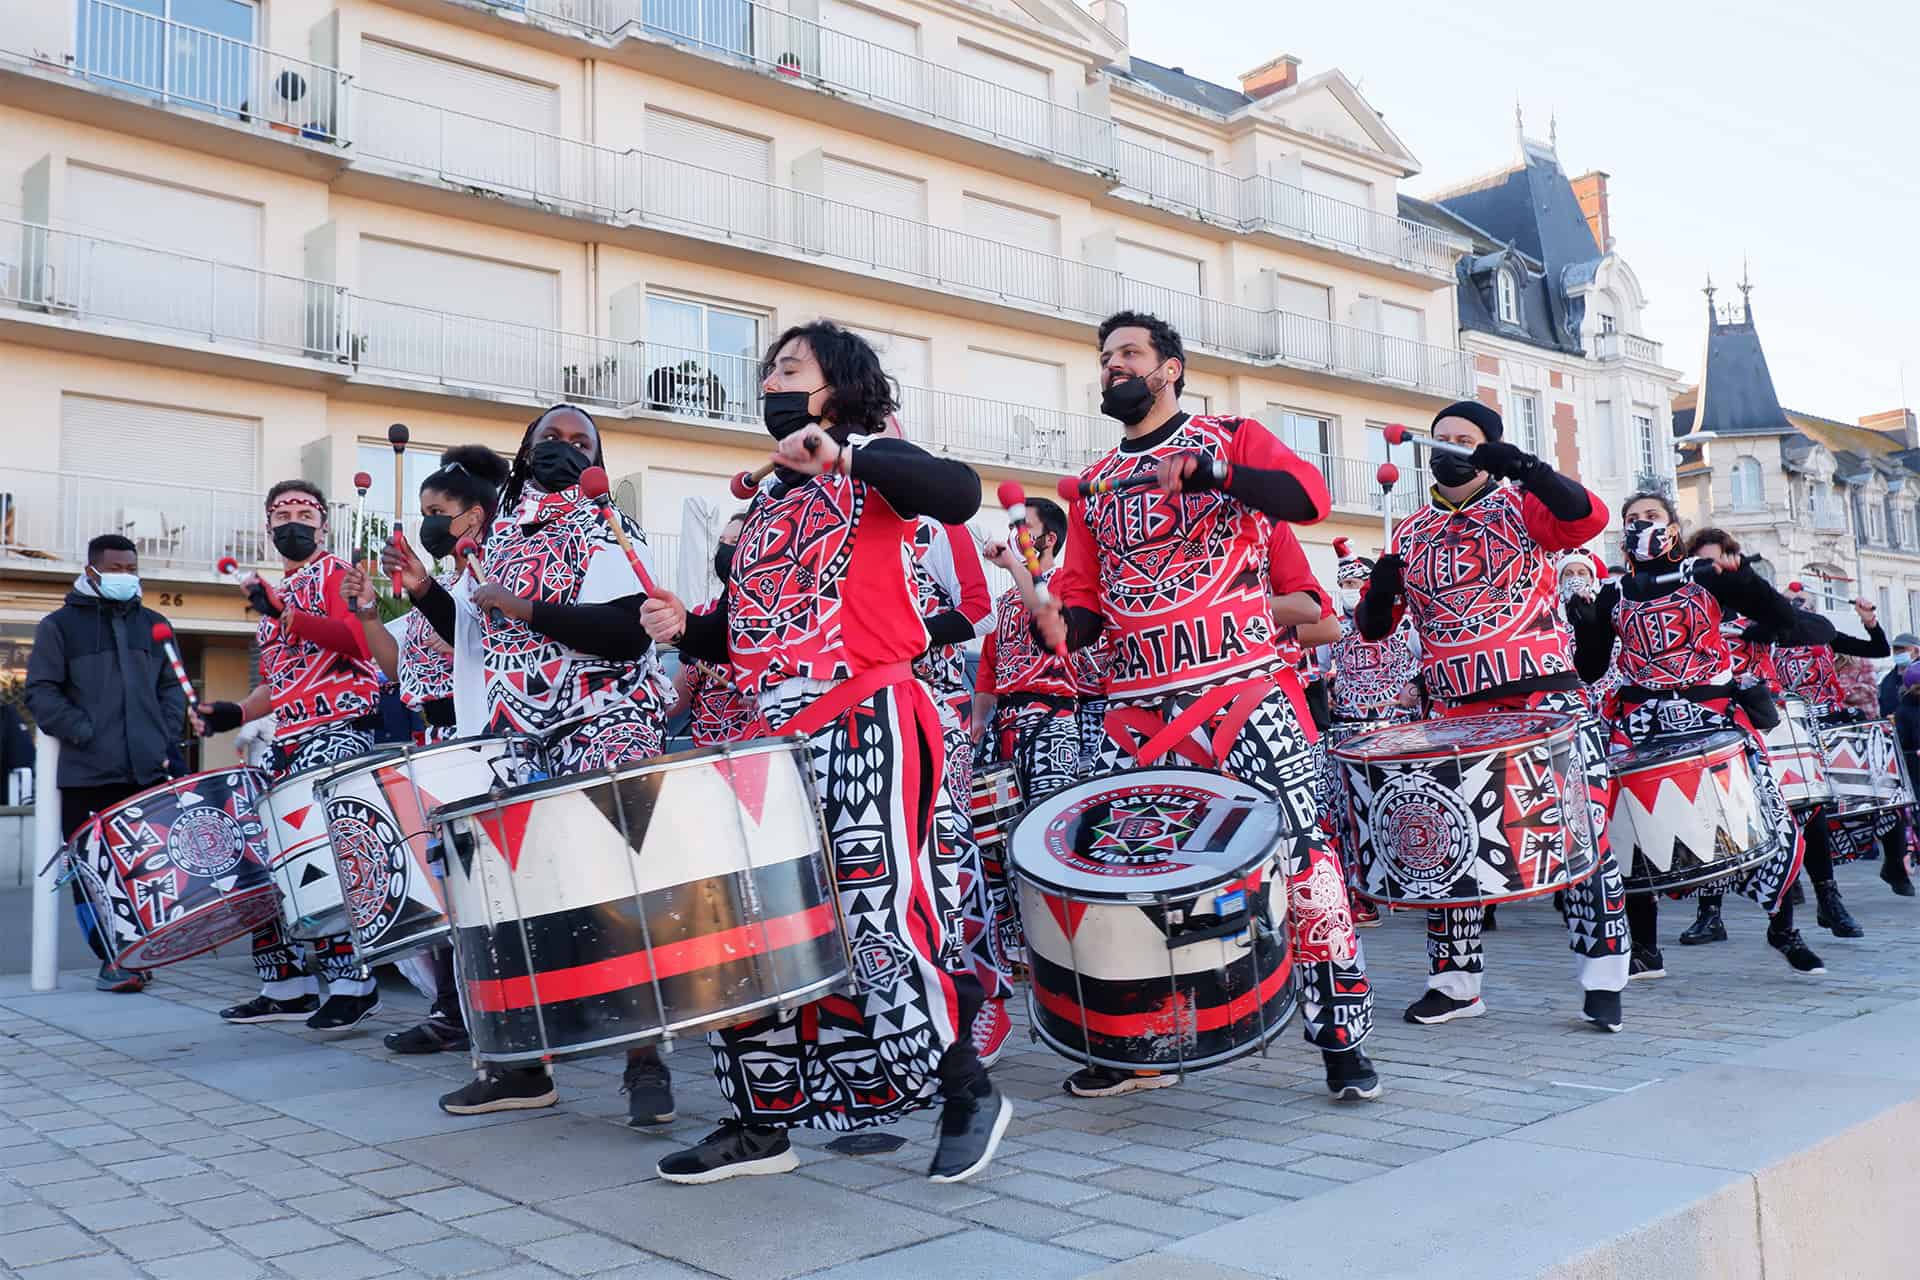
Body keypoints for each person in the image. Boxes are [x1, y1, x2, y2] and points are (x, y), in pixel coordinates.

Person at [640, 320, 1006, 1185]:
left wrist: (845, 455)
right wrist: (685, 626)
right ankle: (759, 1123)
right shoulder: (765, 504)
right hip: (773, 741)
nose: (771, 378)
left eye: (790, 366)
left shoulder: (876, 468)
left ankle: (967, 1090)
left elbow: (957, 492)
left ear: (836, 387)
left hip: (871, 713)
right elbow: (746, 632)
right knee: (754, 928)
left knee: (880, 913)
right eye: (768, 368)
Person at [1033, 310, 1380, 1103]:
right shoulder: (1090, 488)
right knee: (1134, 877)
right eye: (1105, 357)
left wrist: (1217, 476)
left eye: (1129, 354)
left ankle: (1342, 1042)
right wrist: (1060, 623)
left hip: (1248, 698)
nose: (1113, 367)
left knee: (1303, 864)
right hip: (1140, 716)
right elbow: (1088, 606)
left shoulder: (1233, 436)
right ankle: (1145, 1042)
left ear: (1171, 368)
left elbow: (1310, 498)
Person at [384, 406, 679, 1126]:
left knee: (619, 888)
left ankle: (646, 1062)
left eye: (582, 442)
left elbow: (625, 634)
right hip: (515, 734)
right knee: (504, 899)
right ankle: (520, 1066)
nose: (566, 449)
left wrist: (528, 607)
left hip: (601, 722)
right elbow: (477, 638)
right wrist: (426, 592)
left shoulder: (609, 523)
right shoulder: (498, 536)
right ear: (525, 451)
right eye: (552, 438)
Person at [1357, 400, 1629, 1032]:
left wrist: (1529, 468)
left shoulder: (1521, 506)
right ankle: (1455, 985)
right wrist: (1380, 584)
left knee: (1580, 836)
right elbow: (1375, 629)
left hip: (1545, 703)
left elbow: (1587, 516)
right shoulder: (1409, 530)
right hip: (1454, 711)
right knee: (1447, 847)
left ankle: (1604, 977)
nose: (1450, 448)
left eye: (1466, 440)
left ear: (1489, 450)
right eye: (1441, 438)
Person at [1570, 498, 1821, 977]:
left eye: (1651, 518)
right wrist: (1584, 626)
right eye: (1631, 520)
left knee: (1766, 815)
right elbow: (1591, 669)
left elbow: (1782, 621)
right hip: (1641, 721)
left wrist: (1742, 578)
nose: (1639, 526)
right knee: (1631, 831)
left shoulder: (1705, 577)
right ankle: (1645, 947)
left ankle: (1784, 928)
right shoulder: (1612, 594)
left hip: (1712, 714)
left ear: (1673, 527)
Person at [193, 483, 383, 1030]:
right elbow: (282, 681)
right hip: (291, 734)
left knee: (320, 856)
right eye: (283, 514)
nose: (293, 521)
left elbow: (357, 642)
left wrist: (286, 614)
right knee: (268, 859)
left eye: (305, 513)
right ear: (268, 526)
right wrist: (234, 712)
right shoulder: (275, 594)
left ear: (323, 526)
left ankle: (353, 983)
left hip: (340, 728)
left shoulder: (335, 572)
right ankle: (285, 985)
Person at [348, 445, 509, 1057]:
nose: (428, 521)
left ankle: (484, 1011)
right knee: (437, 886)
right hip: (431, 743)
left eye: (437, 509)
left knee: (474, 887)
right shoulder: (440, 582)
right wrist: (368, 611)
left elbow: (477, 643)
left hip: (476, 745)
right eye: (422, 510)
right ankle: (451, 1009)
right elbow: (397, 667)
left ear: (474, 513)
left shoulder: (495, 574)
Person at [25, 534, 186, 993]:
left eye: (130, 568)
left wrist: (164, 732)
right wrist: (85, 732)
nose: (125, 576)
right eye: (115, 569)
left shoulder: (155, 625)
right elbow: (41, 692)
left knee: (145, 870)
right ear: (92, 570)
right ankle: (113, 960)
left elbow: (172, 688)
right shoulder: (58, 627)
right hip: (86, 775)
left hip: (146, 772)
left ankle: (140, 952)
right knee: (93, 874)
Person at [901, 502, 1008, 1065]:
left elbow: (978, 608)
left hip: (934, 712)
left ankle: (984, 996)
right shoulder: (828, 518)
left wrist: (902, 633)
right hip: (858, 713)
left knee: (947, 852)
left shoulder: (936, 523)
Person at [1775, 586, 1910, 898]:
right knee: (1793, 807)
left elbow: (1877, 649)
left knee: (1884, 790)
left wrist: (1869, 621)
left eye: (1805, 605)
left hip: (1832, 723)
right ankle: (1792, 878)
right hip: (1789, 730)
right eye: (1793, 604)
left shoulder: (1825, 634)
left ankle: (1893, 863)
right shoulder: (1766, 638)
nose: (1799, 609)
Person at [1878, 632, 1920, 716]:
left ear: (1916, 651)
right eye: (1896, 649)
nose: (1898, 652)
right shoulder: (1887, 680)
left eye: (1902, 649)